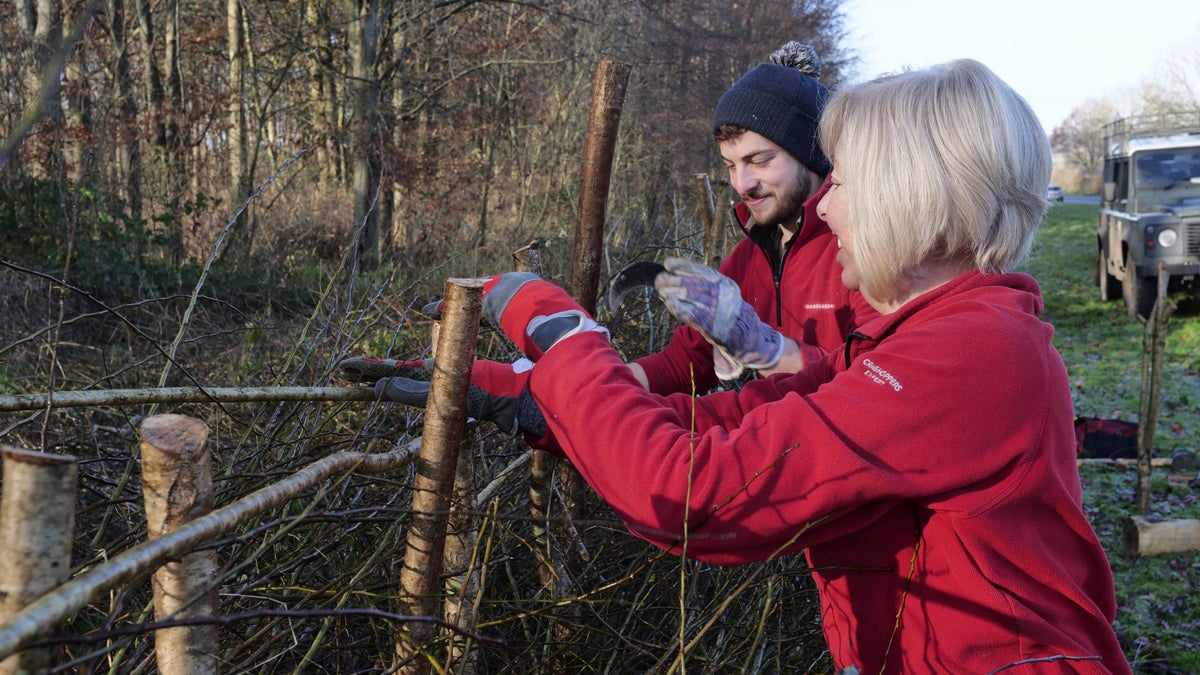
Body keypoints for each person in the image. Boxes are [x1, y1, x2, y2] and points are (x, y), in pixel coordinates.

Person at [459, 59, 1132, 673]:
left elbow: (694, 490)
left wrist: (566, 335)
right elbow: (726, 419)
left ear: (919, 199)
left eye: (848, 182)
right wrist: (524, 397)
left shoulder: (970, 352)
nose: (830, 207)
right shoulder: (907, 337)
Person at [628, 41, 875, 394]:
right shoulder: (747, 259)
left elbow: (874, 380)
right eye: (731, 165)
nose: (742, 184)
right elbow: (686, 363)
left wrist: (768, 350)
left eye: (760, 161)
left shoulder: (865, 248)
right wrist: (597, 387)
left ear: (809, 153)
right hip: (771, 441)